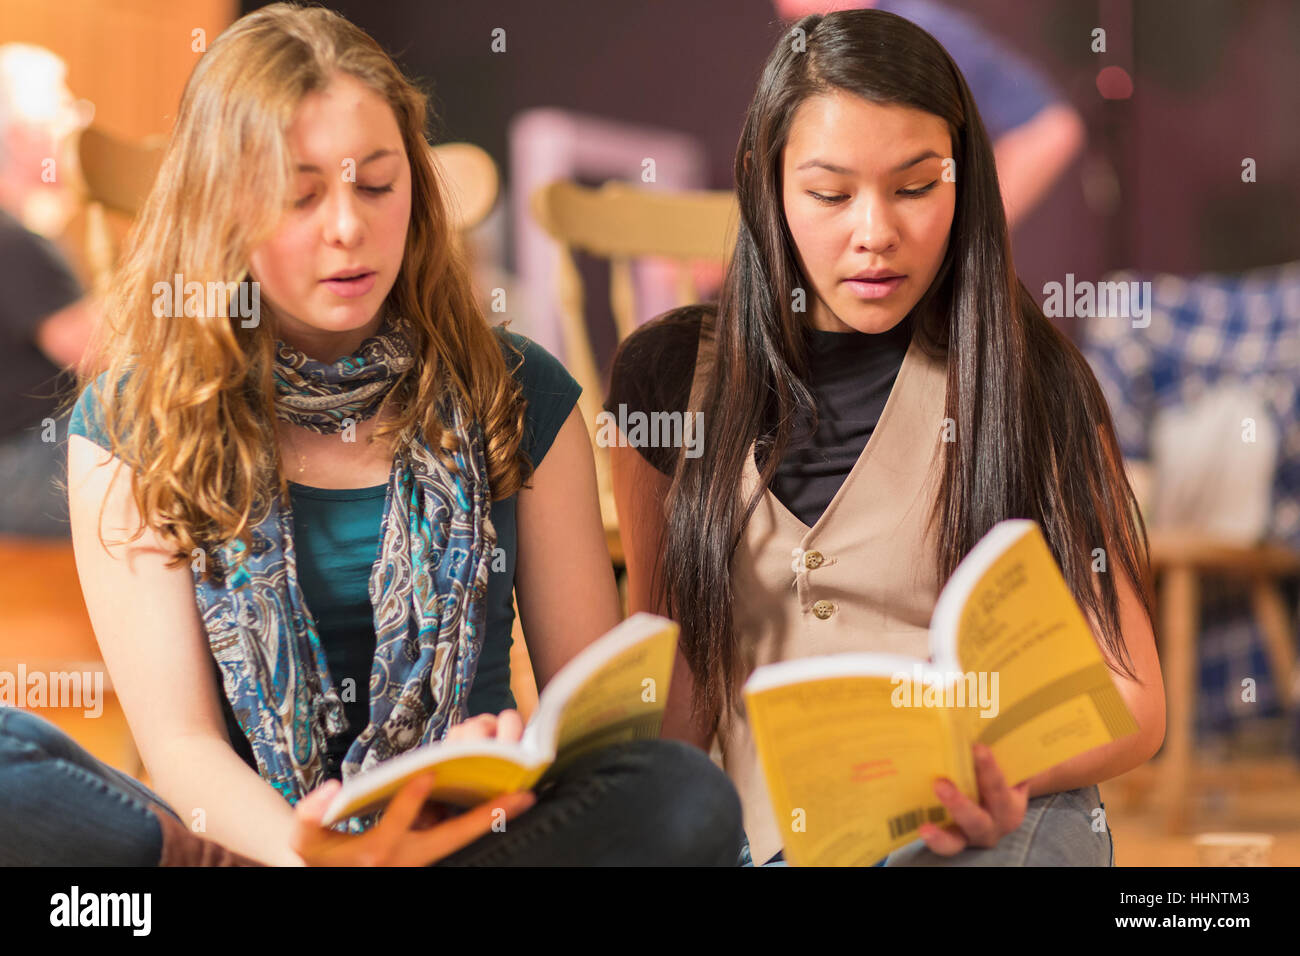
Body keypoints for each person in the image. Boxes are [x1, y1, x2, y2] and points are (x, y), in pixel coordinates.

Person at [0, 3, 742, 867]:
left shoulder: (519, 393)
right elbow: (183, 749)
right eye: (300, 194)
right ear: (221, 208)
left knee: (679, 794)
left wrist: (518, 758)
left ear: (415, 192)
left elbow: (588, 720)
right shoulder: (135, 423)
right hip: (255, 847)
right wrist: (309, 853)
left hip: (463, 839)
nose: (347, 226)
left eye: (376, 184)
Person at [607, 9, 1164, 867]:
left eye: (915, 187)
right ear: (765, 182)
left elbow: (1133, 700)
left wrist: (981, 774)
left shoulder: (1030, 378)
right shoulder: (667, 377)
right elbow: (676, 690)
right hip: (775, 842)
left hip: (991, 821)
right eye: (830, 194)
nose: (876, 233)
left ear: (964, 181)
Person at [0, 44, 99, 537]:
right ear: (23, 136)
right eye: (64, 112)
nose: (74, 129)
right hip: (15, 469)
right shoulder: (12, 239)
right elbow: (103, 355)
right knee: (154, 445)